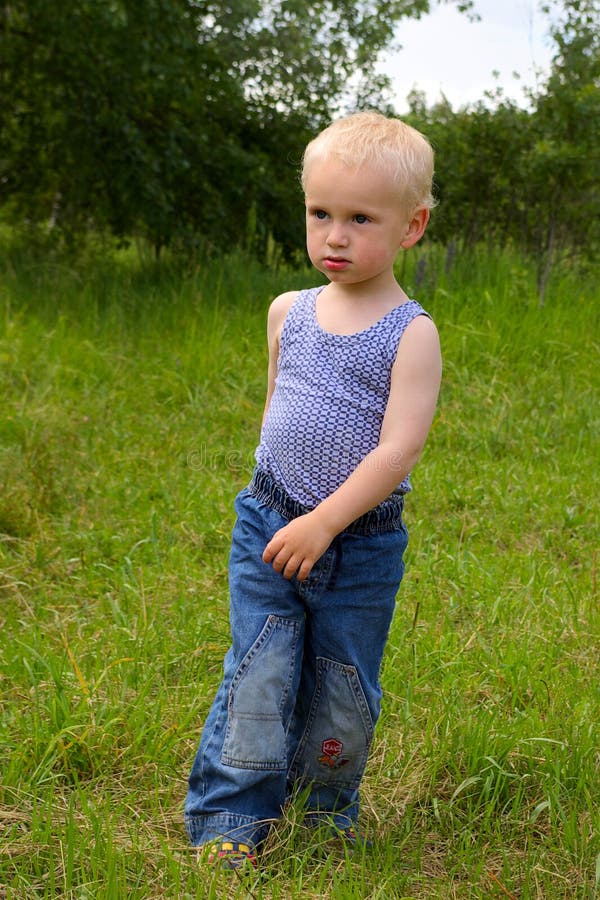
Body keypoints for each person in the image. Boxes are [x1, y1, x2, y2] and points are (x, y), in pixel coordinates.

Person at [184, 111, 442, 870]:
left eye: (361, 218)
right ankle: (233, 807)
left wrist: (326, 523)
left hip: (357, 544)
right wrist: (281, 506)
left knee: (341, 684)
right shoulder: (287, 312)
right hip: (270, 519)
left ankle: (325, 807)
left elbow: (398, 450)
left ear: (411, 226)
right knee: (260, 664)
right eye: (320, 213)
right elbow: (276, 408)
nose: (334, 235)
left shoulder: (410, 332)